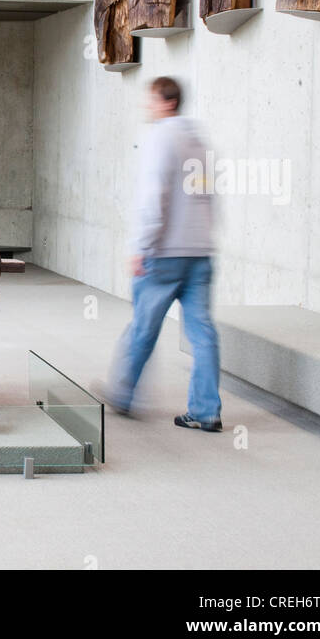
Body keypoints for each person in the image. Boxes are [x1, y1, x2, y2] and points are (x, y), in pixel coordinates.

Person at [103, 76, 222, 431]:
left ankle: (123, 394)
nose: (146, 106)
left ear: (167, 102)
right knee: (202, 332)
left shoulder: (160, 137)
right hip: (199, 253)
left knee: (143, 327)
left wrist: (141, 247)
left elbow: (154, 198)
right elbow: (209, 196)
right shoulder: (199, 140)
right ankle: (206, 411)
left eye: (151, 100)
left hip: (164, 253)